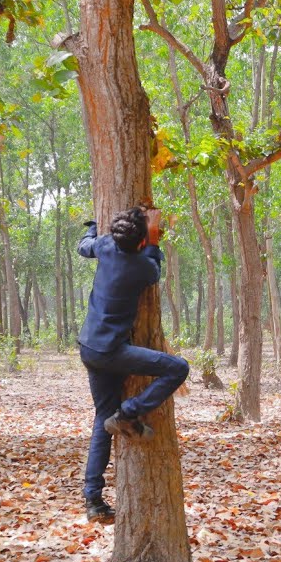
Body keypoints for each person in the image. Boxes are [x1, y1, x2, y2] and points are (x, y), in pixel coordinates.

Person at [77, 205, 190, 523]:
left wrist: (93, 227)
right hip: (113, 352)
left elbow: (84, 247)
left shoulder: (104, 245)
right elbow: (155, 270)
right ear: (141, 241)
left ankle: (93, 499)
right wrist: (153, 238)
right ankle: (127, 414)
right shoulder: (142, 267)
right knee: (178, 368)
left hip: (89, 347)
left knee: (102, 421)